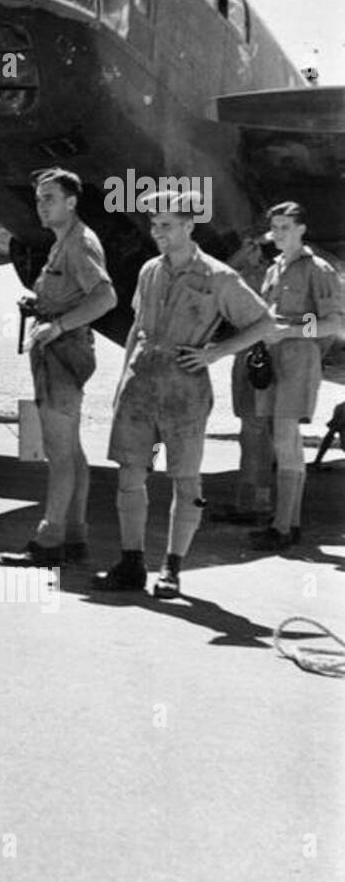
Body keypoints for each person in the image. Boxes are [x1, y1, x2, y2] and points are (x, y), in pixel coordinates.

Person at [94, 190, 273, 600]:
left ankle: (172, 569)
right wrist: (123, 381)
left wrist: (216, 352)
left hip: (184, 388)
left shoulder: (219, 277)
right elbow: (137, 327)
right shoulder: (149, 271)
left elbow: (263, 322)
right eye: (155, 225)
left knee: (185, 481)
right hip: (140, 385)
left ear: (190, 226)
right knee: (129, 476)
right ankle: (130, 563)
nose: (159, 233)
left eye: (168, 226)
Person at [22, 170, 116, 567]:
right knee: (72, 452)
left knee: (58, 453)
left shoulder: (79, 243)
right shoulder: (65, 242)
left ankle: (49, 539)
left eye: (50, 198)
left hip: (63, 353)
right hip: (59, 351)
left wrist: (58, 325)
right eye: (40, 198)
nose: (42, 205)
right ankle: (75, 537)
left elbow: (106, 297)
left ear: (71, 201)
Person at [248, 202, 344, 550]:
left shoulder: (317, 269)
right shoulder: (275, 269)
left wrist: (288, 330)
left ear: (302, 229)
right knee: (280, 438)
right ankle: (290, 523)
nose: (278, 233)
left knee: (287, 440)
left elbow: (333, 322)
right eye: (274, 227)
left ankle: (283, 527)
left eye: (285, 226)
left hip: (298, 360)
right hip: (273, 362)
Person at [210, 233, 277, 525]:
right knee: (254, 430)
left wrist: (294, 331)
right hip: (251, 355)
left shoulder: (262, 276)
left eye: (253, 246)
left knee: (255, 431)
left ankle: (255, 504)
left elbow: (211, 284)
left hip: (260, 359)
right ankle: (252, 500)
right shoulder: (257, 275)